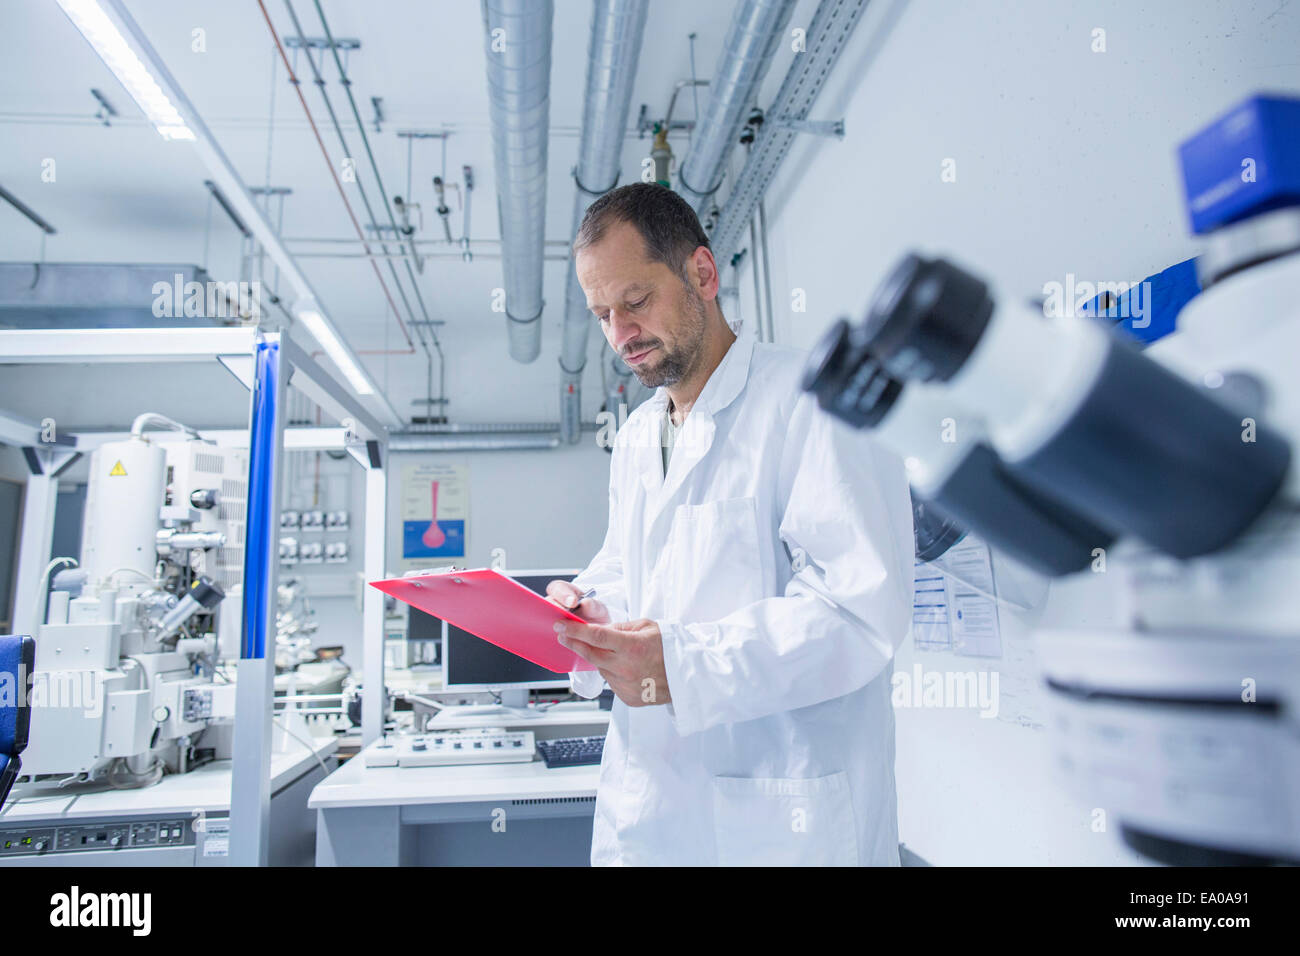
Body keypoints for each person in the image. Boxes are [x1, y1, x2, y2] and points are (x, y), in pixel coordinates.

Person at [546, 183, 914, 866]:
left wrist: (683, 666)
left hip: (786, 815)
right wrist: (592, 608)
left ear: (702, 274)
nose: (620, 336)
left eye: (635, 301)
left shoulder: (812, 402)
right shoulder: (637, 436)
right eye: (602, 315)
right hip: (652, 808)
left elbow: (859, 611)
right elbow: (631, 569)